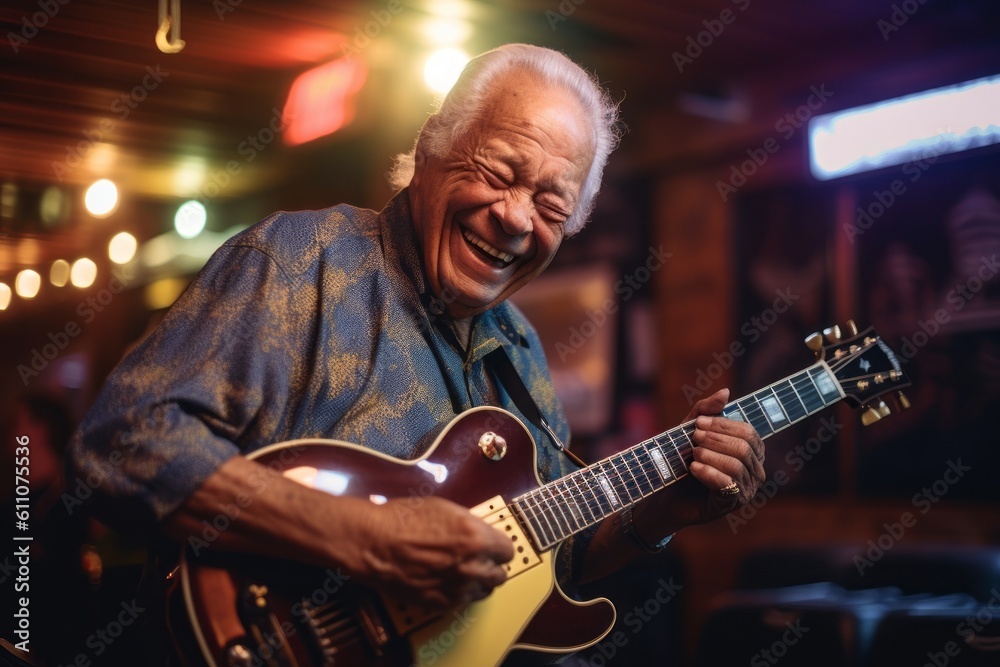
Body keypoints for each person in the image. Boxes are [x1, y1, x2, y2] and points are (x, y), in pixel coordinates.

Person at [68, 43, 764, 648]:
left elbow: (546, 557)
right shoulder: (298, 261)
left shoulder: (519, 348)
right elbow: (125, 441)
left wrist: (669, 506)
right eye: (498, 171)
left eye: (552, 206)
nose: (518, 218)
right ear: (431, 144)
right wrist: (367, 539)